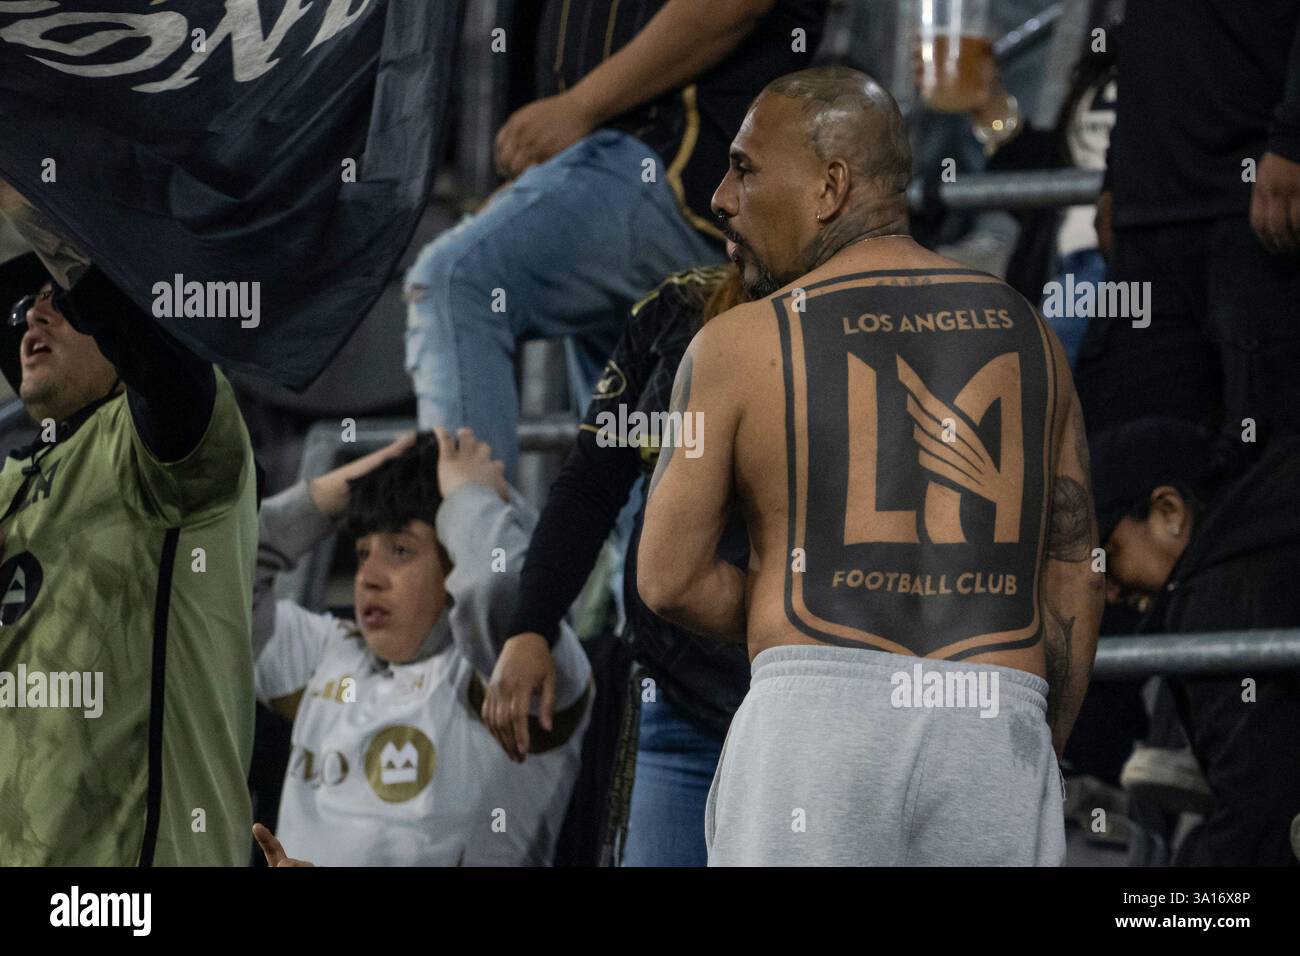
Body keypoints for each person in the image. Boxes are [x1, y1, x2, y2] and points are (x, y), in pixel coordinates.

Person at [636, 66, 1103, 865]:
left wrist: (803, 610)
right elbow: (1075, 573)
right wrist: (1034, 748)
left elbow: (667, 579)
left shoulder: (738, 345)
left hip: (817, 722)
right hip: (993, 719)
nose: (720, 195)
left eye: (745, 166)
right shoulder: (1027, 334)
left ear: (830, 186)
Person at [404, 0, 828, 484]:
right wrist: (546, 181)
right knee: (637, 490)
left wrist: (578, 108)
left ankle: (478, 549)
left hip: (681, 171)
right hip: (622, 175)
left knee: (457, 282)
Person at [485, 264, 752, 866]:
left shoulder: (854, 324)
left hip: (805, 699)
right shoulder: (677, 308)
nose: (723, 198)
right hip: (673, 695)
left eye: (746, 171)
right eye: (729, 169)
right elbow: (591, 483)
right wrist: (533, 624)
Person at [0, 245, 259, 865]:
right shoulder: (12, 481)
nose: (34, 319)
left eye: (57, 300)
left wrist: (37, 208)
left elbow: (166, 370)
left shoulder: (166, 443)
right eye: (25, 308)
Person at [250, 429, 592, 866]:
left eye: (399, 550)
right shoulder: (328, 655)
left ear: (456, 555)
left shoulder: (509, 667)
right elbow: (212, 582)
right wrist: (351, 486)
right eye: (361, 553)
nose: (368, 577)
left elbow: (497, 585)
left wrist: (469, 495)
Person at [1083, 0, 1300, 464]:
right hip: (1150, 212)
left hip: (1257, 210)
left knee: (1266, 469)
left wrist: (1293, 142)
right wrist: (1116, 174)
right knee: (1134, 465)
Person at [1093, 417, 1300, 866]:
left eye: (1109, 556)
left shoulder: (1220, 600)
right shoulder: (1266, 505)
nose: (1109, 590)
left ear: (1169, 511)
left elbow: (1259, 813)